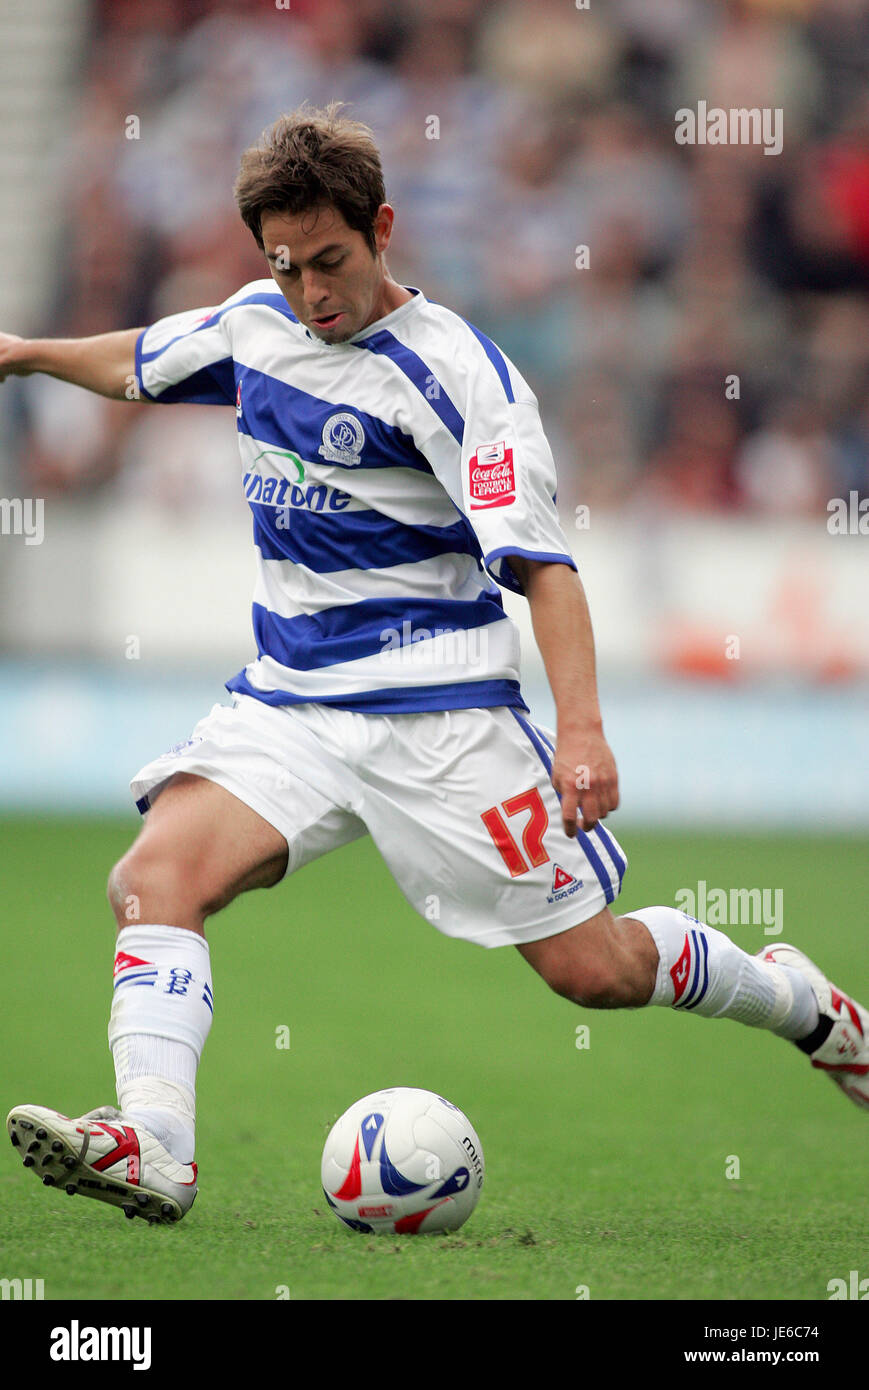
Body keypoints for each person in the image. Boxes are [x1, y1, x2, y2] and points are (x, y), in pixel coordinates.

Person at [3, 104, 866, 1227]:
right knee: (152, 878)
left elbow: (543, 566)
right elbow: (143, 364)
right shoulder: (257, 322)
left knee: (591, 972)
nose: (311, 291)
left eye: (330, 262)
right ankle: (153, 1143)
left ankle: (801, 1005)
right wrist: (25, 355)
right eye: (285, 265)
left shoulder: (461, 378)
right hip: (293, 707)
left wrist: (584, 727)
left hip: (443, 716)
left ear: (383, 230)